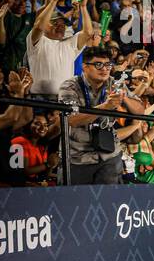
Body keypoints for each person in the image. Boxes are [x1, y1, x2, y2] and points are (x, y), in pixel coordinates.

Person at [60, 45, 146, 184]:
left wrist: (124, 98)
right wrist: (105, 107)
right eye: (98, 64)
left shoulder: (113, 83)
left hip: (109, 155)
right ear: (85, 67)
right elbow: (71, 119)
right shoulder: (70, 86)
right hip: (78, 157)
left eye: (108, 65)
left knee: (110, 202)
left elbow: (140, 111)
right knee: (76, 203)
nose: (105, 69)